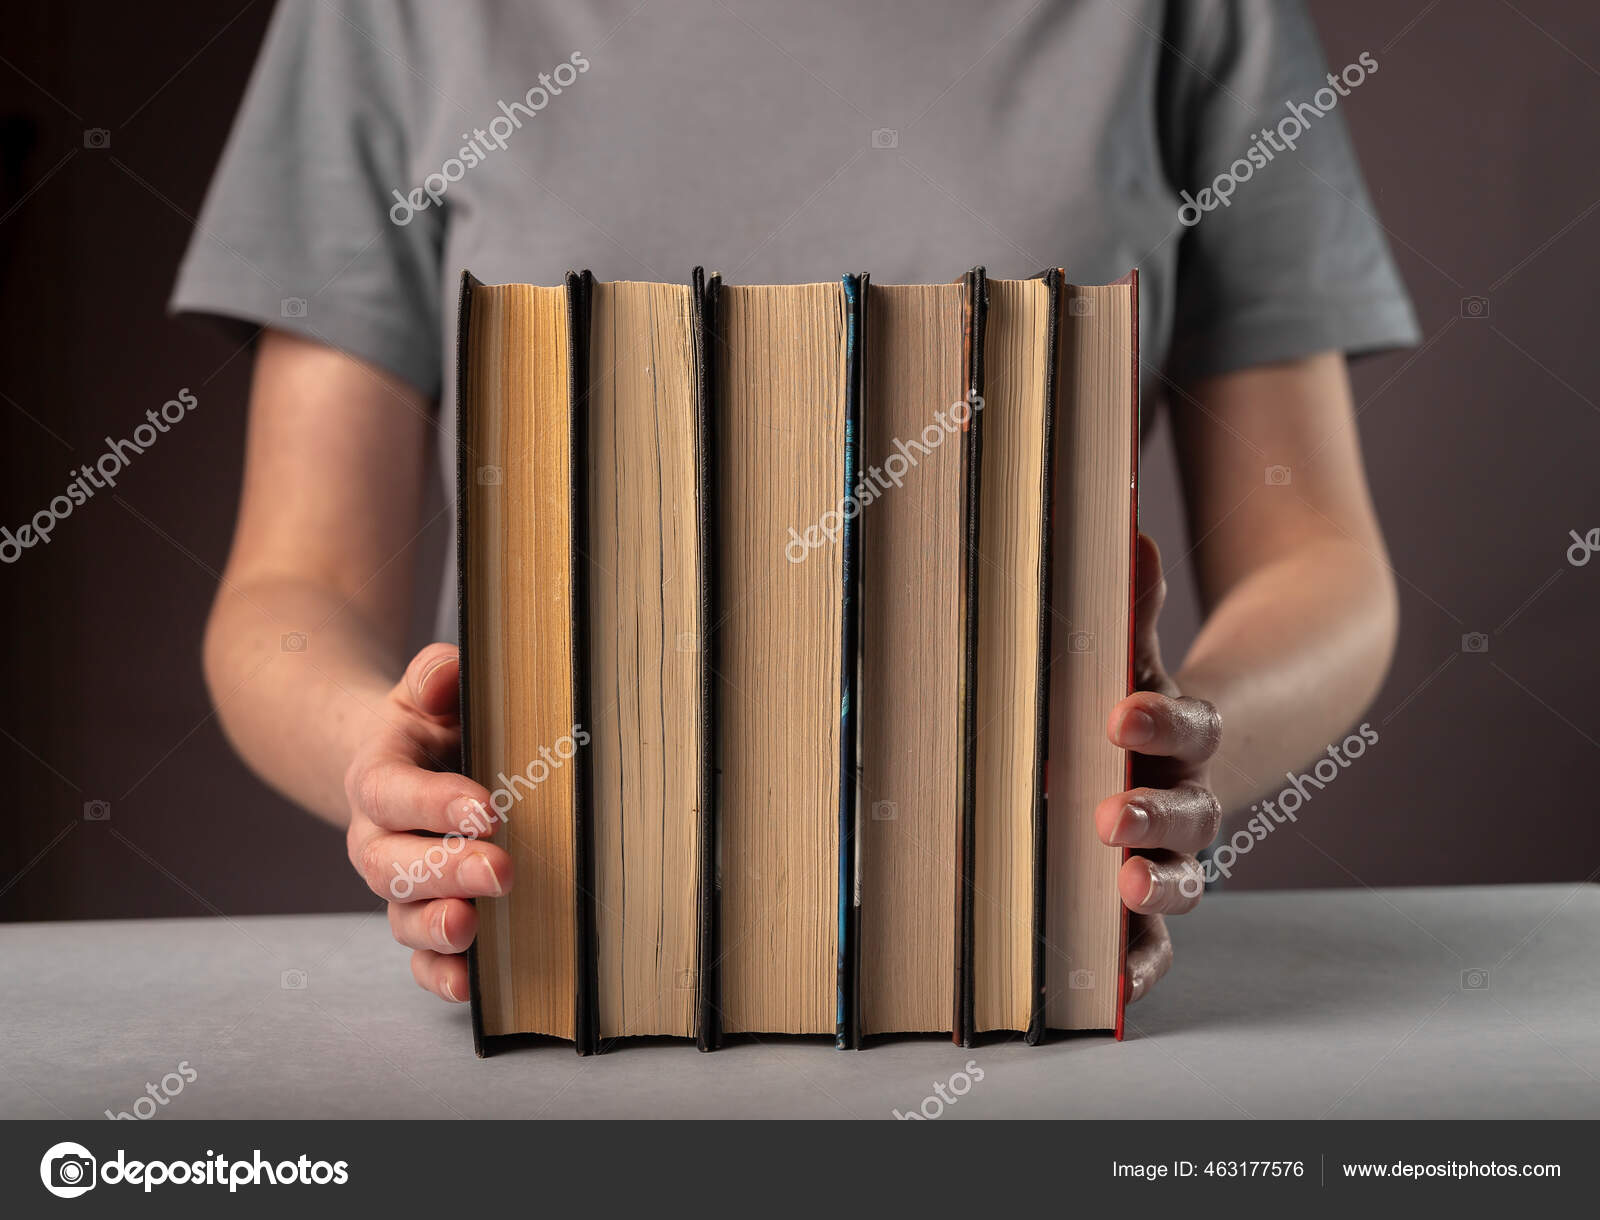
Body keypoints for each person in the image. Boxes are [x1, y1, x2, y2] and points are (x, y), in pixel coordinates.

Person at [174, 0, 1415, 1011]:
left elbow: (1317, 558)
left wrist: (1176, 754)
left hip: (1024, 956)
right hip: (563, 937)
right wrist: (383, 764)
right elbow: (293, 586)